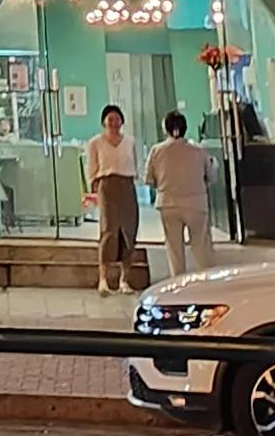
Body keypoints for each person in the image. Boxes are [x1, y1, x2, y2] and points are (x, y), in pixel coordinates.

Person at [147, 106, 215, 284]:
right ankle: (207, 283)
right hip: (196, 204)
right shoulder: (199, 151)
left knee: (174, 249)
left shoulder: (156, 151)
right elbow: (211, 176)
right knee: (201, 247)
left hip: (168, 204)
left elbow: (149, 179)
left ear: (165, 129)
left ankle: (178, 285)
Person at [84, 103, 140, 294]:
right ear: (103, 122)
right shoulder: (95, 143)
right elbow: (92, 168)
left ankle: (124, 280)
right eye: (110, 119)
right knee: (108, 230)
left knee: (129, 231)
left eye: (117, 119)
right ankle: (103, 279)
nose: (114, 123)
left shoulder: (130, 141)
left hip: (127, 185)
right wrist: (93, 187)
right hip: (106, 186)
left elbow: (134, 164)